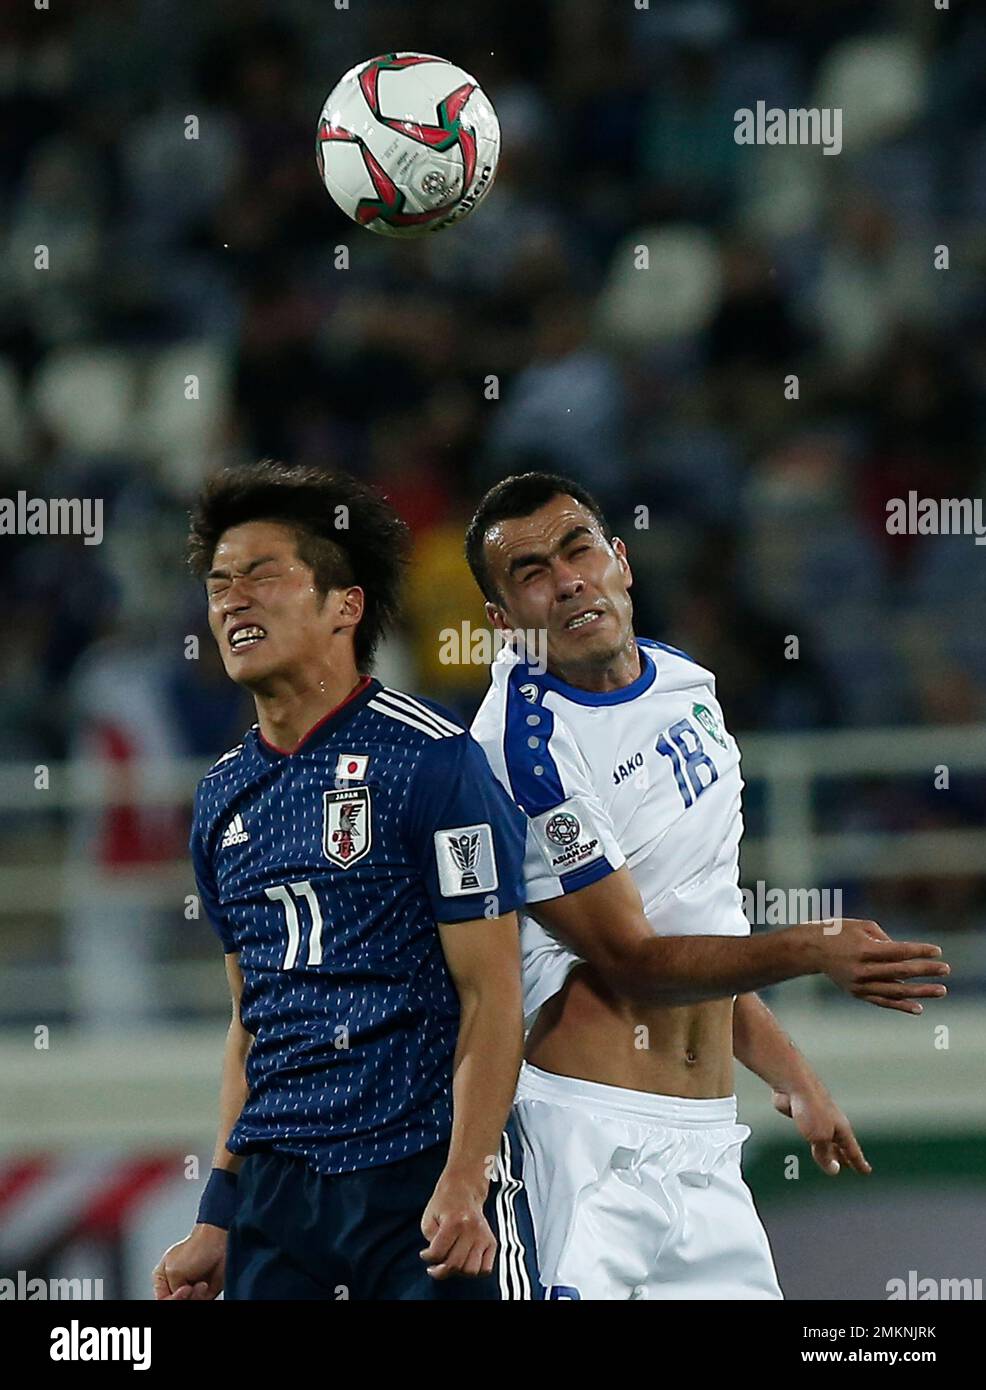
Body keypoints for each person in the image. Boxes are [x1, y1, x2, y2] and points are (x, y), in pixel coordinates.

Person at [465, 471, 950, 1301]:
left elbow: (703, 922)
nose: (568, 579)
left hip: (704, 1144)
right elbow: (633, 960)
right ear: (503, 622)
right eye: (532, 571)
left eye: (578, 548)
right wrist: (811, 945)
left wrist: (789, 1074)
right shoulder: (520, 744)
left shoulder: (687, 684)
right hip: (587, 1146)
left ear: (620, 560)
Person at [153, 460, 540, 1301]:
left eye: (263, 575)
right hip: (279, 1203)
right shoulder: (221, 798)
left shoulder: (434, 763)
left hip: (422, 1189)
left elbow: (493, 994)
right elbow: (250, 1022)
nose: (231, 600)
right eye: (219, 583)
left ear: (346, 606)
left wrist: (468, 1178)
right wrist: (218, 1215)